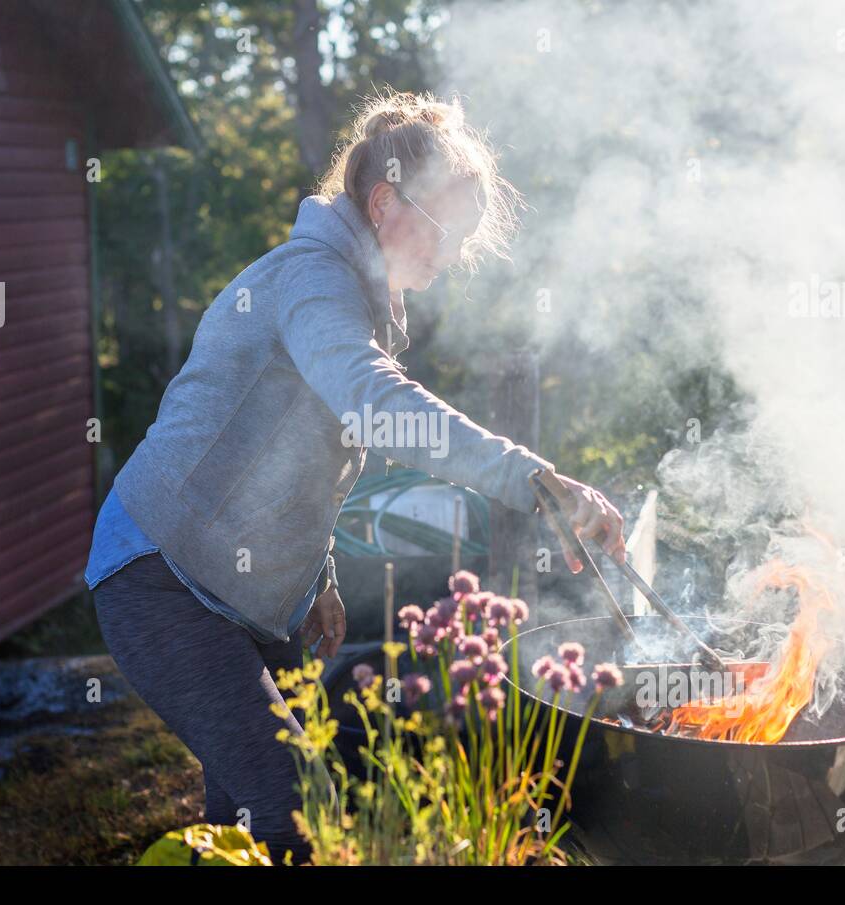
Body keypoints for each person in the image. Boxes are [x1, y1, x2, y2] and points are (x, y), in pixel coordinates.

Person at [84, 90, 625, 865]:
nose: (449, 257)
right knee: (299, 808)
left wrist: (321, 576)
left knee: (240, 819)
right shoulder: (313, 279)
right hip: (162, 576)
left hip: (242, 598)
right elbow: (372, 404)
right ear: (383, 202)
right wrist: (537, 480)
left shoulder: (348, 291)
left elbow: (298, 454)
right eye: (444, 230)